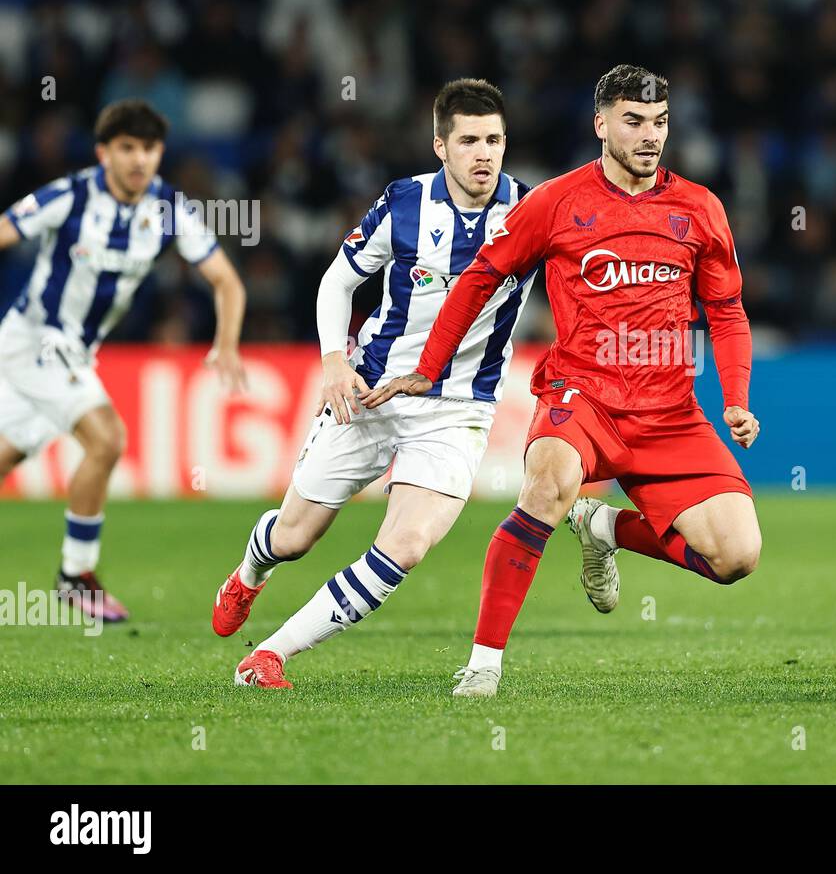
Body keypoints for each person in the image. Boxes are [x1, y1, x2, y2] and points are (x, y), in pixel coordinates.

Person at [363, 65, 762, 698]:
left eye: (659, 122)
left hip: (670, 414)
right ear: (601, 124)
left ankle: (604, 528)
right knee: (546, 486)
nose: (649, 136)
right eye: (633, 122)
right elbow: (480, 277)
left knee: (737, 557)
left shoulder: (700, 209)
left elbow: (728, 312)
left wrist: (735, 401)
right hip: (582, 400)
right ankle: (485, 665)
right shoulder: (554, 202)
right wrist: (430, 367)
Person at [215, 79, 540, 689]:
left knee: (408, 544)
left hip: (457, 408)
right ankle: (248, 574)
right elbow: (336, 283)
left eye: (494, 140)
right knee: (294, 536)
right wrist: (333, 361)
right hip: (369, 390)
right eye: (468, 140)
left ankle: (270, 655)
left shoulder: (530, 214)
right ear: (439, 145)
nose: (484, 154)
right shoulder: (404, 203)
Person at [0, 99, 247, 621]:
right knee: (107, 438)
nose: (139, 159)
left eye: (149, 149)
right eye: (127, 148)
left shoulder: (169, 210)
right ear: (103, 153)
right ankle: (76, 575)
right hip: (36, 339)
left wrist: (225, 344)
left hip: (75, 353)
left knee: (7, 455)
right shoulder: (70, 195)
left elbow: (226, 280)